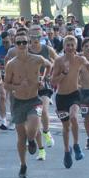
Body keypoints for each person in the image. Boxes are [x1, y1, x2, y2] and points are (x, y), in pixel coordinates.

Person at [4, 32, 52, 178]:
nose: (22, 45)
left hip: (34, 100)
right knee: (21, 136)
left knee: (33, 128)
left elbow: (49, 65)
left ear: (29, 43)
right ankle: (23, 165)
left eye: (24, 42)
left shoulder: (37, 59)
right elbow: (6, 85)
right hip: (18, 102)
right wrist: (18, 87)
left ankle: (32, 141)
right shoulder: (11, 64)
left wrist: (43, 79)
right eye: (19, 43)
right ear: (15, 45)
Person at [51, 36, 89, 168]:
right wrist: (64, 73)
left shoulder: (79, 59)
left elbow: (88, 66)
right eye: (68, 45)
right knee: (66, 127)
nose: (70, 47)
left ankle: (76, 145)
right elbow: (53, 81)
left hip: (74, 95)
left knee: (73, 117)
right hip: (61, 97)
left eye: (72, 45)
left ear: (76, 46)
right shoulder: (59, 61)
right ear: (64, 46)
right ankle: (67, 151)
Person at [28, 25, 57, 160]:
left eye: (38, 37)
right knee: (35, 118)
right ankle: (41, 150)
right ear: (29, 36)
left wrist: (50, 74)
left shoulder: (46, 49)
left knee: (44, 110)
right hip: (30, 86)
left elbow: (57, 60)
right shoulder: (26, 50)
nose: (36, 39)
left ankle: (46, 132)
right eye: (33, 36)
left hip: (44, 84)